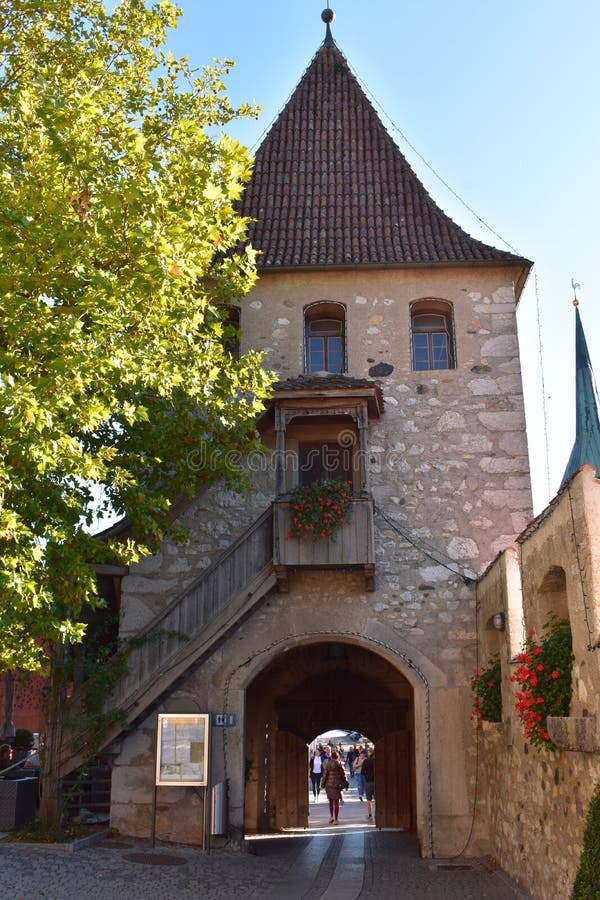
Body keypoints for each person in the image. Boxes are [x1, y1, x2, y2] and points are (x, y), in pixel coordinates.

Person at [320, 750, 347, 824]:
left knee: (331, 802)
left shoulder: (328, 765)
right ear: (337, 757)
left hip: (329, 785)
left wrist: (322, 785)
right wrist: (346, 784)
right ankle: (336, 819)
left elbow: (325, 776)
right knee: (336, 803)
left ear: (331, 757)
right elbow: (344, 775)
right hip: (337, 785)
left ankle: (331, 816)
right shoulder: (340, 764)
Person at [362, 745, 375, 821]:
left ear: (370, 752)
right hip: (377, 782)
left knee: (368, 799)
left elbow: (362, 772)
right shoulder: (378, 760)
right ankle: (377, 814)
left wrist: (367, 774)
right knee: (378, 799)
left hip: (368, 781)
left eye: (368, 752)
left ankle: (370, 815)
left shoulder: (366, 761)